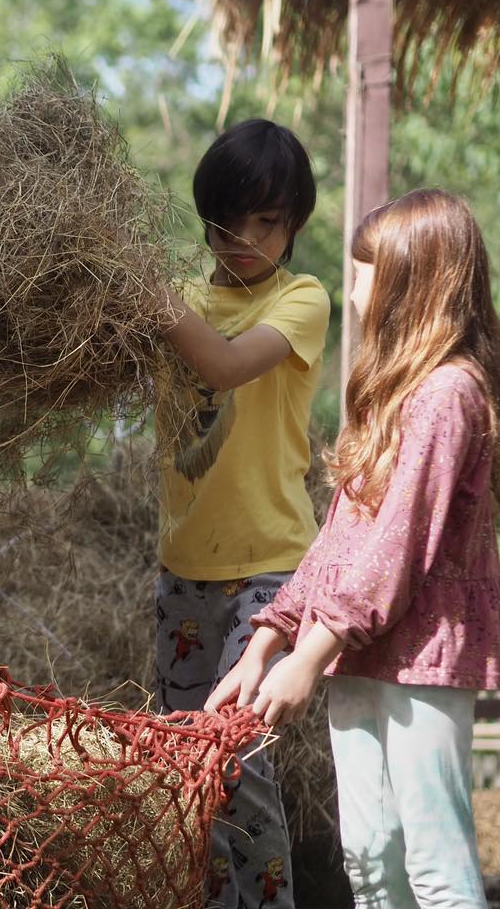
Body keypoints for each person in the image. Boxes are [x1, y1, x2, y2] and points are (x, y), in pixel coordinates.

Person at [207, 189, 500, 908]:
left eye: (365, 271)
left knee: (434, 868)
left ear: (414, 282)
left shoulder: (450, 394)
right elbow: (340, 540)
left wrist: (307, 660)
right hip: (356, 651)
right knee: (372, 864)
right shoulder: (390, 395)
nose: (351, 288)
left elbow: (395, 546)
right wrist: (268, 643)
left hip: (423, 662)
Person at [155, 118, 329, 909]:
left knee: (239, 763)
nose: (246, 239)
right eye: (229, 219)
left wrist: (139, 291)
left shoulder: (302, 299)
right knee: (187, 774)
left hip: (270, 571)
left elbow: (222, 366)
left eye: (267, 221)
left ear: (294, 223)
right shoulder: (179, 299)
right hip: (183, 568)